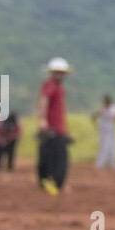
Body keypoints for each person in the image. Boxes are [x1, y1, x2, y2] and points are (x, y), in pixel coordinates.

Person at [36, 57, 72, 195]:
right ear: (51, 73)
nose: (60, 75)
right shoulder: (49, 85)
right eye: (57, 72)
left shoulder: (59, 88)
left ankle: (55, 184)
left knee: (58, 160)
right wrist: (43, 120)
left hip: (59, 130)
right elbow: (43, 101)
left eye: (62, 73)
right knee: (53, 160)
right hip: (51, 130)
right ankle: (51, 185)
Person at [93, 95, 115, 169]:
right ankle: (99, 164)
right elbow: (95, 116)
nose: (106, 103)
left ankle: (111, 163)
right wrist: (95, 122)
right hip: (104, 129)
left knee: (113, 146)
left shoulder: (114, 108)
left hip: (111, 128)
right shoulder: (103, 109)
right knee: (104, 146)